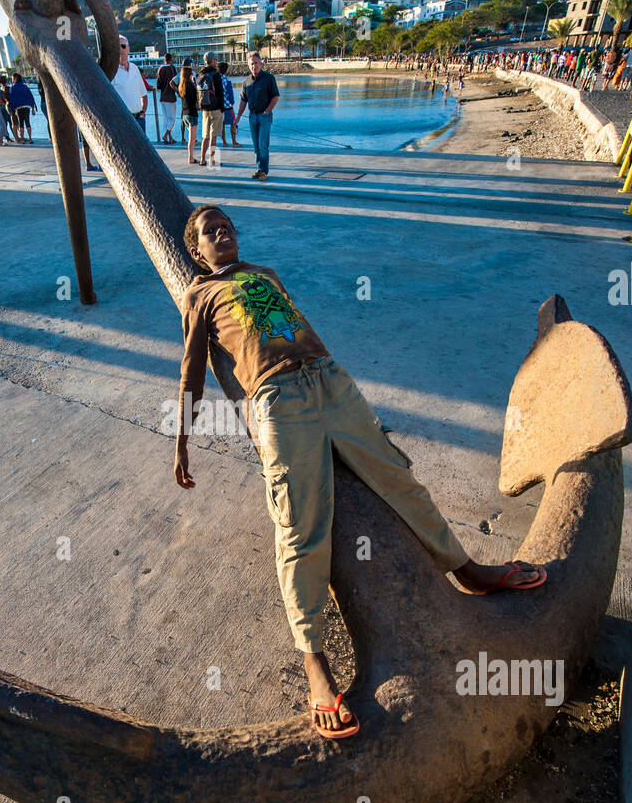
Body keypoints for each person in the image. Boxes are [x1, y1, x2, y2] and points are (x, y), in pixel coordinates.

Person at [174, 205, 547, 738]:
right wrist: (184, 440)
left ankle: (467, 571)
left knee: (400, 480)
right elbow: (191, 373)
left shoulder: (264, 275)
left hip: (330, 379)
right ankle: (315, 663)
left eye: (227, 225)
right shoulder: (200, 296)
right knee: (300, 527)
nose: (223, 233)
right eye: (211, 231)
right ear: (196, 252)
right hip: (279, 398)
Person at [234, 52, 280, 180]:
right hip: (252, 116)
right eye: (252, 64)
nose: (254, 66)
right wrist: (237, 118)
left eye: (256, 63)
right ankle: (259, 169)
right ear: (249, 65)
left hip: (264, 116)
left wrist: (267, 111)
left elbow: (275, 97)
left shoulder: (269, 78)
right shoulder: (246, 82)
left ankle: (264, 171)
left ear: (261, 64)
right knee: (256, 146)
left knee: (263, 145)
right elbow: (243, 101)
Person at [111, 35, 148, 133]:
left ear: (128, 49)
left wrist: (143, 112)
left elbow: (143, 94)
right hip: (122, 121)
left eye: (123, 46)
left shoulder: (135, 68)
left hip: (139, 119)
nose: (121, 50)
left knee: (142, 148)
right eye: (117, 47)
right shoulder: (111, 72)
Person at [197, 51, 224, 168]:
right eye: (215, 60)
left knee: (205, 136)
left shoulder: (201, 74)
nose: (216, 62)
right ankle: (212, 160)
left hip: (204, 108)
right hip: (215, 108)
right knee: (214, 136)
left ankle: (202, 159)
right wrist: (222, 108)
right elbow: (220, 93)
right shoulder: (215, 74)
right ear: (212, 60)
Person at [173, 58, 198, 163]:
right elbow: (196, 97)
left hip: (184, 113)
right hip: (192, 113)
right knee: (192, 138)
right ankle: (190, 157)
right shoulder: (190, 86)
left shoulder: (181, 86)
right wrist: (194, 84)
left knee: (191, 136)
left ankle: (191, 156)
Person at [156, 52, 178, 143]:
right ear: (171, 59)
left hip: (162, 97)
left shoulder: (160, 68)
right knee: (172, 118)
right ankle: (166, 136)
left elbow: (159, 84)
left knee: (165, 118)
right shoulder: (172, 68)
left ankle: (169, 138)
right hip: (170, 97)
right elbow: (176, 81)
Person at [9, 72, 37, 143]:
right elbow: (31, 97)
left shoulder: (13, 87)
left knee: (21, 123)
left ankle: (22, 139)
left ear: (14, 78)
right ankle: (30, 138)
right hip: (27, 106)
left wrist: (13, 109)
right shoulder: (25, 86)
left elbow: (12, 99)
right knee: (28, 122)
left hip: (18, 107)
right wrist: (33, 108)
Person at [218, 61, 240, 146]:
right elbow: (230, 95)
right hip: (228, 106)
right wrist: (232, 102)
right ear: (226, 70)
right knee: (233, 123)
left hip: (219, 106)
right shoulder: (227, 80)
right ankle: (234, 142)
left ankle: (224, 142)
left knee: (222, 124)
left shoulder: (216, 80)